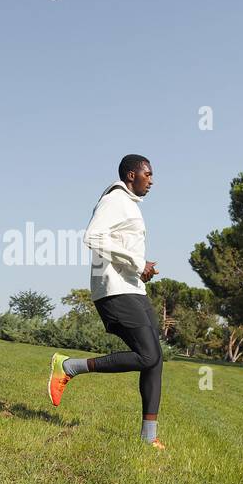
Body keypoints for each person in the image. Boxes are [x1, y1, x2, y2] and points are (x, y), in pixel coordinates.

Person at [47, 154, 165, 449]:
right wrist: (138, 263)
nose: (151, 180)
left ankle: (148, 437)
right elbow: (93, 236)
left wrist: (141, 268)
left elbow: (121, 247)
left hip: (133, 288)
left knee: (155, 359)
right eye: (147, 174)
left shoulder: (129, 205)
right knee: (147, 355)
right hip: (114, 290)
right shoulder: (115, 199)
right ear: (130, 176)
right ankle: (69, 367)